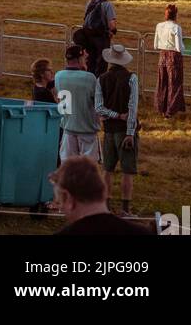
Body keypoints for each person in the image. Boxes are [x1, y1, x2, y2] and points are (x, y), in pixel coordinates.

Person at [51, 156, 150, 236]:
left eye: (59, 201)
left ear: (68, 197)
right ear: (103, 190)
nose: (61, 207)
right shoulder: (143, 233)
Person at [95, 43, 140, 217]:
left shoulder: (101, 79)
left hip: (109, 130)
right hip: (125, 131)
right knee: (127, 171)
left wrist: (113, 115)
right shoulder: (131, 78)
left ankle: (105, 207)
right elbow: (132, 107)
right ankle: (125, 209)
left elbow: (98, 107)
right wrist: (130, 132)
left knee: (108, 169)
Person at [54, 45, 100, 159]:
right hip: (86, 130)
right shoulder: (90, 78)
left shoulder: (59, 76)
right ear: (79, 59)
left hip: (68, 128)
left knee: (68, 168)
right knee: (88, 170)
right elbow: (97, 103)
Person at [153, 3, 186, 117]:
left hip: (162, 55)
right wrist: (184, 48)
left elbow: (155, 45)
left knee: (163, 82)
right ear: (175, 15)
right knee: (174, 83)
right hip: (174, 56)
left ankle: (161, 108)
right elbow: (178, 46)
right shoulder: (176, 28)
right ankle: (170, 111)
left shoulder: (159, 26)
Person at [82, 0, 117, 76]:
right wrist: (113, 31)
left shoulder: (89, 2)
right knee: (101, 66)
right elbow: (111, 24)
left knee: (90, 62)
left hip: (88, 38)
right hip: (101, 39)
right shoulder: (107, 4)